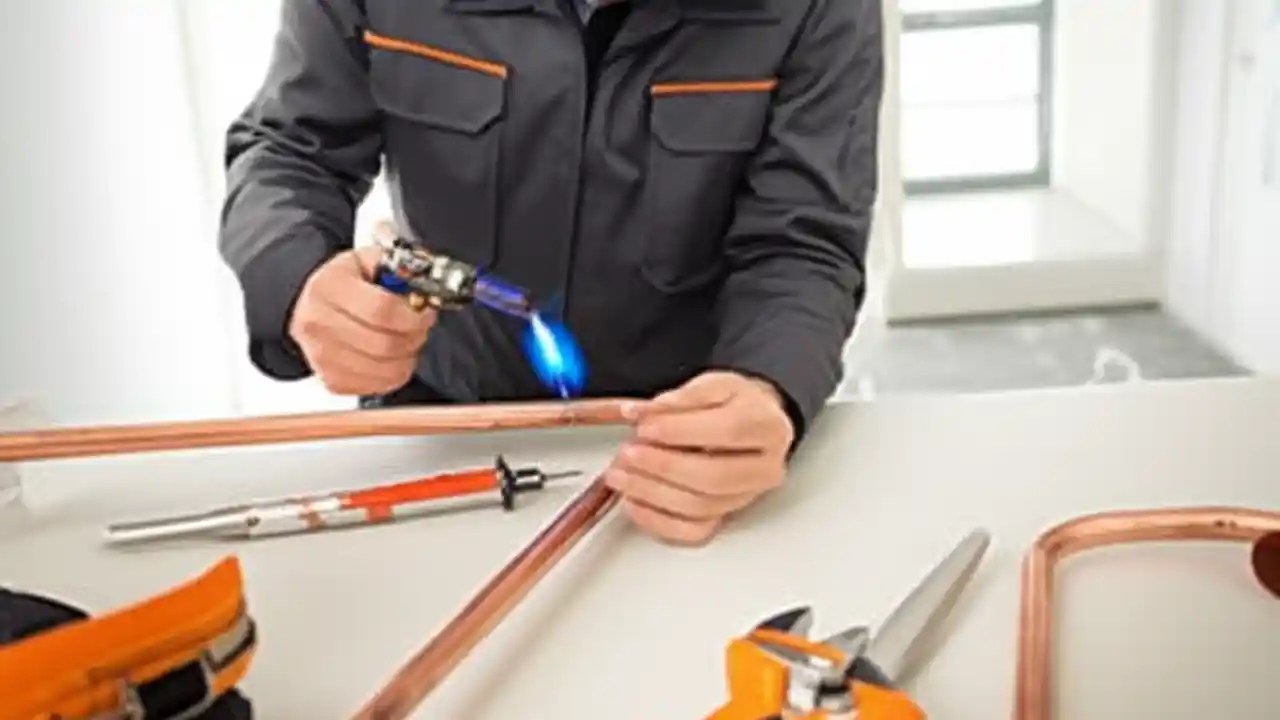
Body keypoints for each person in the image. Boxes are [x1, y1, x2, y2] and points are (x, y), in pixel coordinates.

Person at [218, 0, 884, 546]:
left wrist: (765, 386)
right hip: (438, 435)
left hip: (681, 454)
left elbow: (803, 241)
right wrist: (299, 281)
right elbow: (289, 152)